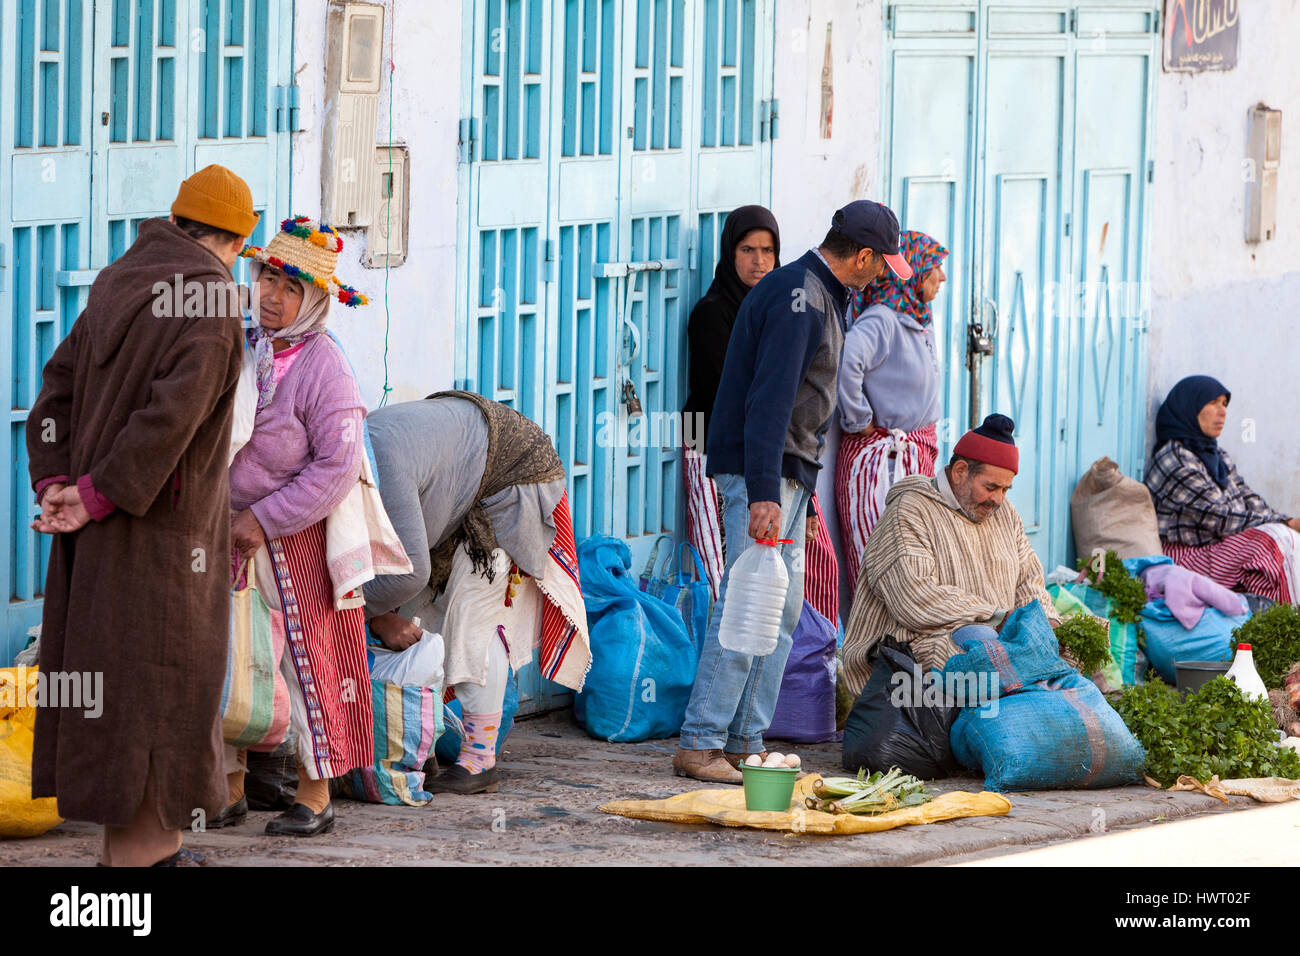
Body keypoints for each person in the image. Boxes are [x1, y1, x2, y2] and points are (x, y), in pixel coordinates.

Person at [26, 165, 256, 866]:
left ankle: (135, 863)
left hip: (96, 543)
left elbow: (55, 392)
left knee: (118, 699)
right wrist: (95, 494)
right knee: (161, 698)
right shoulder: (213, 299)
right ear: (236, 241)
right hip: (163, 548)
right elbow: (169, 424)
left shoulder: (118, 279)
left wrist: (59, 483)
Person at [673, 199, 910, 783]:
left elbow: (802, 406)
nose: (883, 275)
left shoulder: (820, 293)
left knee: (778, 612)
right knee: (746, 602)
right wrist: (764, 494)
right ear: (862, 256)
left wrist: (796, 492)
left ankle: (745, 741)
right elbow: (770, 402)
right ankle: (701, 743)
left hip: (788, 477)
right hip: (765, 475)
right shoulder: (799, 299)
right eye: (882, 264)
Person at [223, 215, 375, 837]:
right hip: (233, 537)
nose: (272, 297)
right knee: (232, 660)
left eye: (290, 289)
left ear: (315, 300)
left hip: (300, 543)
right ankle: (228, 788)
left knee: (309, 665)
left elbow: (338, 467)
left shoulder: (326, 370)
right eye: (266, 279)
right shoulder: (250, 345)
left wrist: (263, 517)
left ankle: (315, 796)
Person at [361, 393, 591, 794]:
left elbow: (411, 570)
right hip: (467, 475)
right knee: (421, 615)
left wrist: (368, 613)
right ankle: (421, 745)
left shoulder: (384, 467)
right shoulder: (353, 455)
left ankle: (480, 759)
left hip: (510, 474)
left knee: (475, 616)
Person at [680, 206, 841, 625]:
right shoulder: (713, 313)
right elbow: (742, 397)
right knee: (730, 581)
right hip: (720, 451)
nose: (759, 261)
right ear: (729, 254)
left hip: (770, 457)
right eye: (747, 249)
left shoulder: (786, 304)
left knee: (774, 594)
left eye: (768, 251)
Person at [841, 414, 1062, 698]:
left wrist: (1045, 622)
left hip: (996, 638)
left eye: (1005, 490)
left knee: (1057, 653)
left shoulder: (1005, 514)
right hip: (913, 648)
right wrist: (995, 617)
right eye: (991, 487)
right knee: (981, 648)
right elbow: (914, 598)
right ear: (960, 471)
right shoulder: (909, 511)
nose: (998, 499)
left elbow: (1029, 583)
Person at [834, 230, 948, 585]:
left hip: (911, 459)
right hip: (883, 464)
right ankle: (874, 641)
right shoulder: (883, 318)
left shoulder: (918, 319)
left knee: (913, 567)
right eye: (934, 268)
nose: (941, 277)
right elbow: (845, 361)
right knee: (883, 568)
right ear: (914, 271)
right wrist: (859, 421)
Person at [1144, 375, 1300, 603]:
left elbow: (1250, 499)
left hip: (1219, 551)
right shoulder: (1173, 459)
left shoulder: (1217, 457)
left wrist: (1289, 524)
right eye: (1213, 403)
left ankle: (1271, 627)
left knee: (1285, 541)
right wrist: (1284, 524)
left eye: (1224, 404)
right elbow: (1217, 518)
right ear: (1189, 407)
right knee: (1271, 540)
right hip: (1186, 557)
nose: (1222, 411)